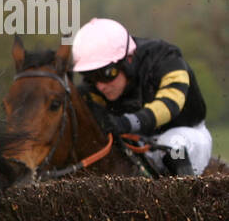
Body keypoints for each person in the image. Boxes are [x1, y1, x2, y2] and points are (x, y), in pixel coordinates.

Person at [72, 17, 211, 176]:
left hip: (185, 134)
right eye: (90, 76)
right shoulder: (93, 89)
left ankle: (187, 197)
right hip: (138, 139)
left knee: (173, 145)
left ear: (128, 59)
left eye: (107, 73)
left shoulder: (166, 59)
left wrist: (127, 122)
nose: (100, 85)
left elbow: (169, 104)